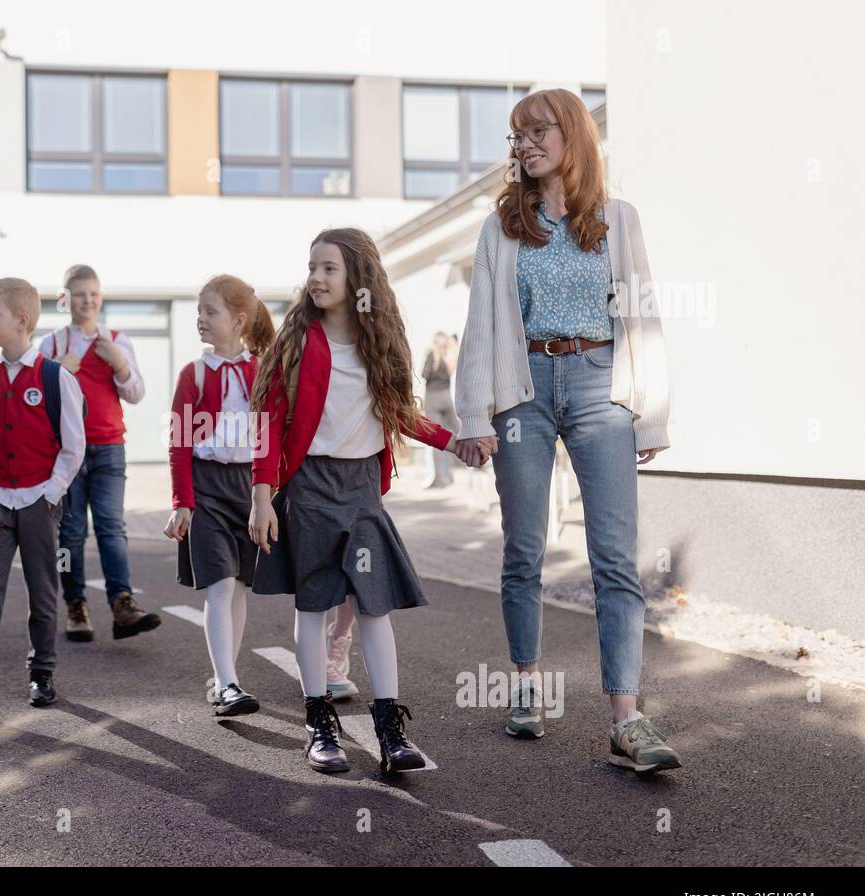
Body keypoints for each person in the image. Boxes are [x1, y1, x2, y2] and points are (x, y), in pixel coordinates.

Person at [453, 88, 680, 773]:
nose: (522, 145)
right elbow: (482, 325)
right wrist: (472, 414)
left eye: (536, 132)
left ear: (571, 136)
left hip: (599, 385)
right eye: (515, 136)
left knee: (615, 557)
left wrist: (654, 408)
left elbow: (641, 314)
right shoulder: (501, 228)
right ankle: (525, 687)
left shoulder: (618, 219)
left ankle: (627, 719)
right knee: (525, 547)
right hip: (523, 389)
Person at [249, 227, 469, 776]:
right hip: (310, 489)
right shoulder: (297, 342)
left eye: (329, 268)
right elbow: (269, 422)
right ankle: (319, 726)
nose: (316, 278)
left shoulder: (379, 341)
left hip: (363, 492)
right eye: (312, 267)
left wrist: (453, 441)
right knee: (313, 607)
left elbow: (398, 413)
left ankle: (390, 731)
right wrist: (261, 496)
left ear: (358, 278)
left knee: (375, 609)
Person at [0, 278, 86, 715]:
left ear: (21, 320)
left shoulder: (55, 378)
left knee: (43, 592)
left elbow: (73, 446)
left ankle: (42, 674)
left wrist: (50, 494)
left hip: (40, 503)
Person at [165, 275, 274, 716]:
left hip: (248, 490)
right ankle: (228, 684)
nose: (201, 320)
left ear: (239, 320)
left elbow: (268, 438)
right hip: (206, 486)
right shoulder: (193, 374)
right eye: (199, 313)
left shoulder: (262, 371)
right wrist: (181, 502)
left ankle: (225, 675)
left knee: (242, 587)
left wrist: (267, 496)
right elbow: (179, 442)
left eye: (211, 312)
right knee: (221, 582)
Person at [39, 264, 162, 641]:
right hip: (67, 454)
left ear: (100, 298)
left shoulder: (117, 341)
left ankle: (122, 604)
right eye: (78, 294)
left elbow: (137, 394)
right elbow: (34, 402)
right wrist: (59, 371)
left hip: (109, 448)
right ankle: (76, 606)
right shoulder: (52, 346)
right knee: (72, 533)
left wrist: (119, 364)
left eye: (93, 293)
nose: (87, 300)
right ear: (65, 299)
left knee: (112, 528)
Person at [421, 332, 461, 488]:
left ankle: (441, 477)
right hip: (447, 398)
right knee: (454, 433)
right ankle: (477, 458)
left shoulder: (432, 355)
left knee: (435, 438)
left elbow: (425, 374)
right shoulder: (449, 357)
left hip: (433, 398)